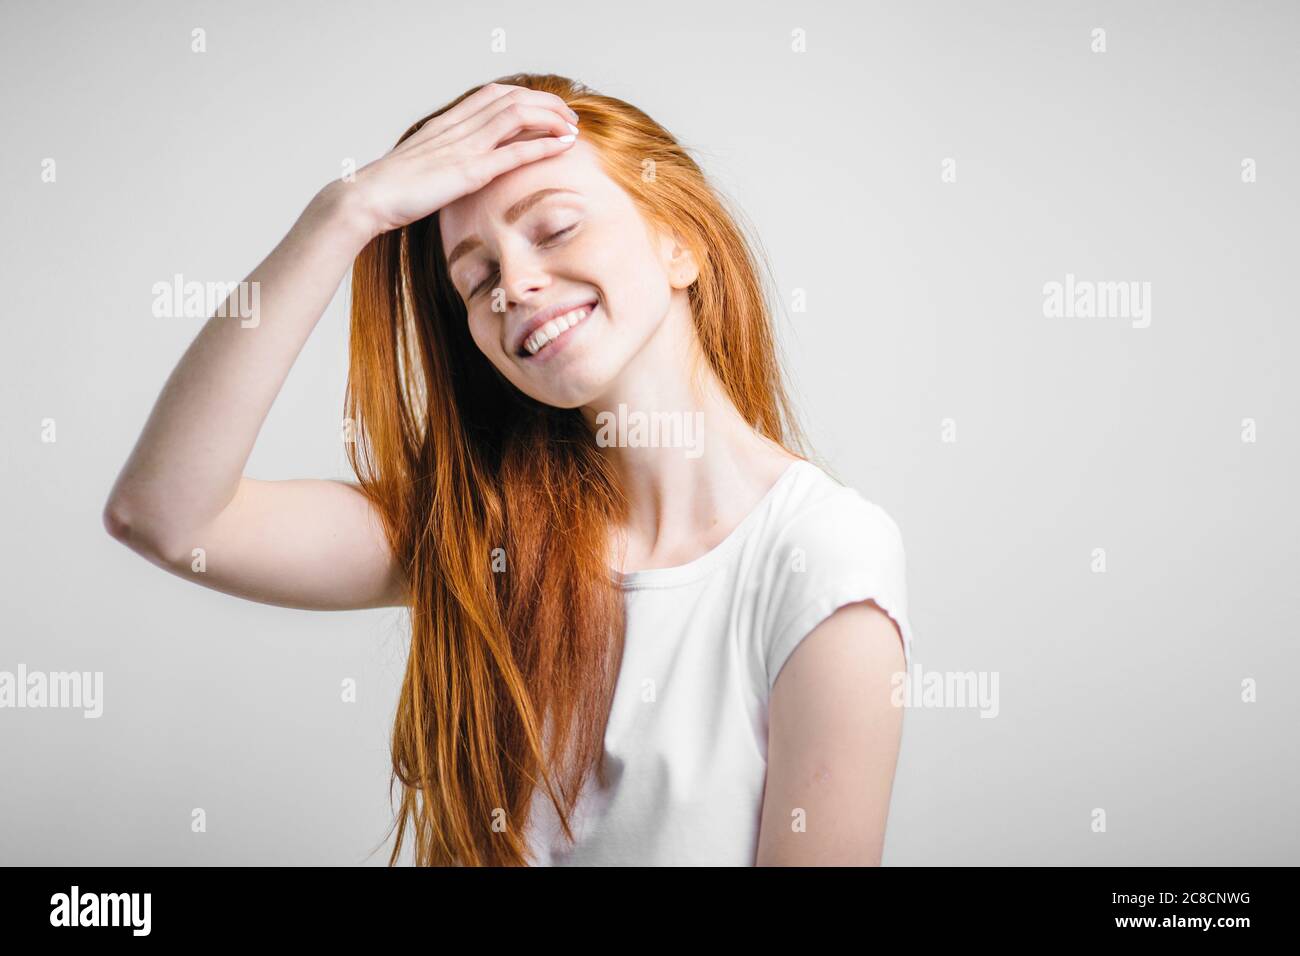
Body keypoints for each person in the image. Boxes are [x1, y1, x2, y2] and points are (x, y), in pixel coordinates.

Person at [104, 73, 914, 866]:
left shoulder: (822, 555)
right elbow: (167, 516)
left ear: (681, 242)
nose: (515, 286)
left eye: (555, 228)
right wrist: (344, 214)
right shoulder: (483, 534)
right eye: (475, 278)